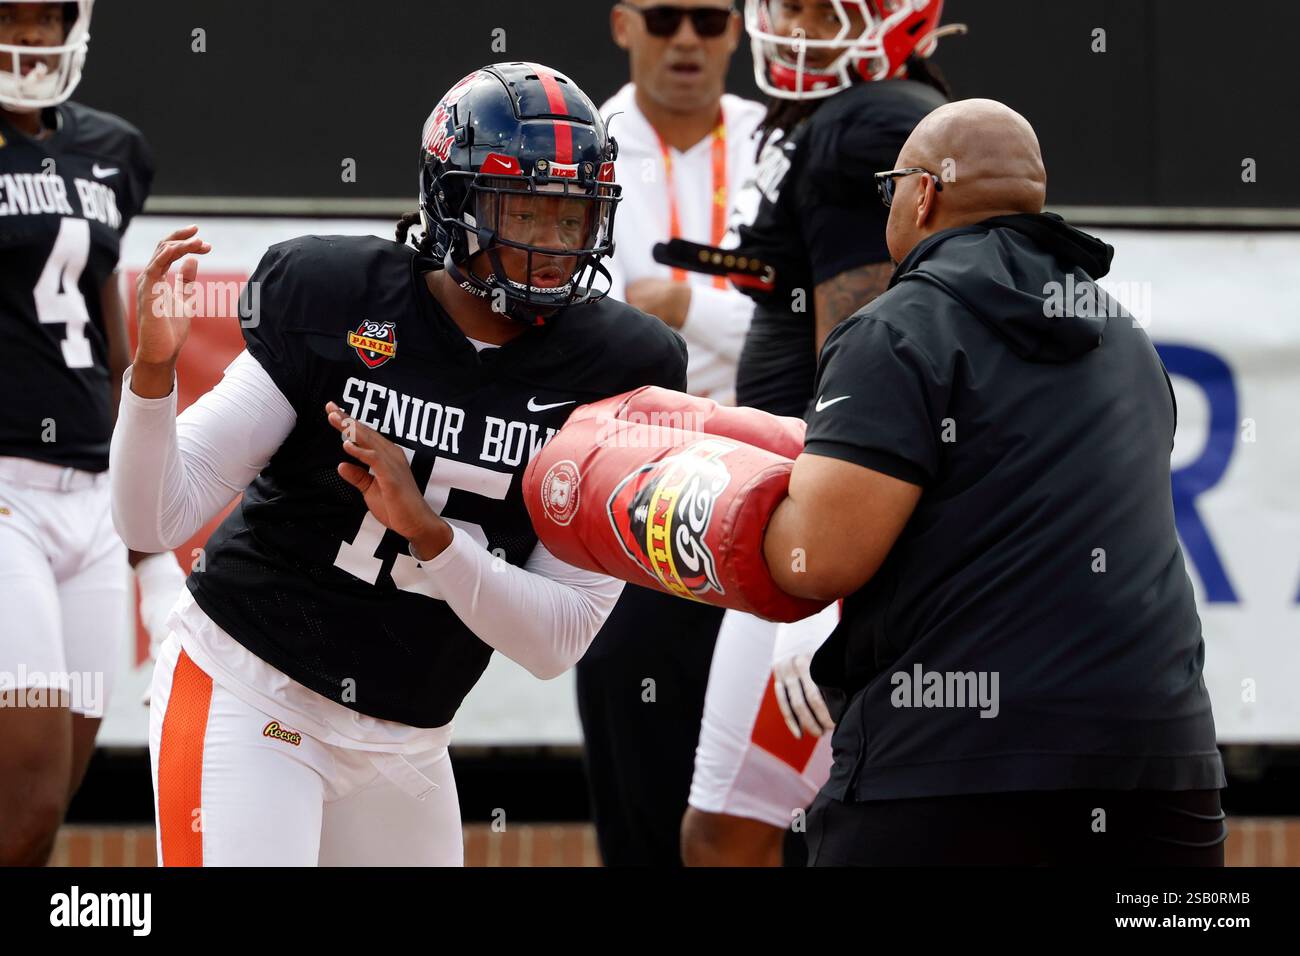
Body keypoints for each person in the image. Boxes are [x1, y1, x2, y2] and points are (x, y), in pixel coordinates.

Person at [109, 62, 688, 867]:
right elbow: (152, 518)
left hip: (410, 738)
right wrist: (153, 376)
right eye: (525, 209)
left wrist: (428, 533)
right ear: (453, 200)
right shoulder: (340, 298)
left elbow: (560, 637)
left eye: (573, 215)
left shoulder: (619, 366)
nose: (551, 244)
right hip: (252, 686)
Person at [757, 98, 1226, 865]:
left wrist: (699, 497)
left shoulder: (894, 330)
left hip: (949, 769)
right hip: (1163, 771)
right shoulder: (1129, 340)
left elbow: (821, 559)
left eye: (888, 190)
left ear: (922, 193)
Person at [678, 0, 957, 866]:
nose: (793, 26)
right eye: (788, 5)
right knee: (737, 827)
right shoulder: (842, 116)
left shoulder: (871, 121)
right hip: (803, 516)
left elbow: (867, 371)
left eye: (818, 8)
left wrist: (818, 584)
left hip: (827, 525)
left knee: (735, 835)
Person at [574, 0, 763, 867]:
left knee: (769, 794)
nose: (685, 38)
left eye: (708, 17)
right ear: (623, 25)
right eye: (663, 16)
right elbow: (579, 324)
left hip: (770, 485)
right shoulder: (577, 138)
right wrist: (742, 312)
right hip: (630, 492)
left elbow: (824, 318)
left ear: (736, 29)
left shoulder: (779, 142)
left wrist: (692, 307)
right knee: (642, 788)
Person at [0, 0, 181, 865]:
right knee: (24, 799)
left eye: (46, 17)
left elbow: (105, 330)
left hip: (92, 507)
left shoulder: (113, 149)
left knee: (47, 804)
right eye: (11, 15)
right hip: (5, 502)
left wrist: (146, 539)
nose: (30, 38)